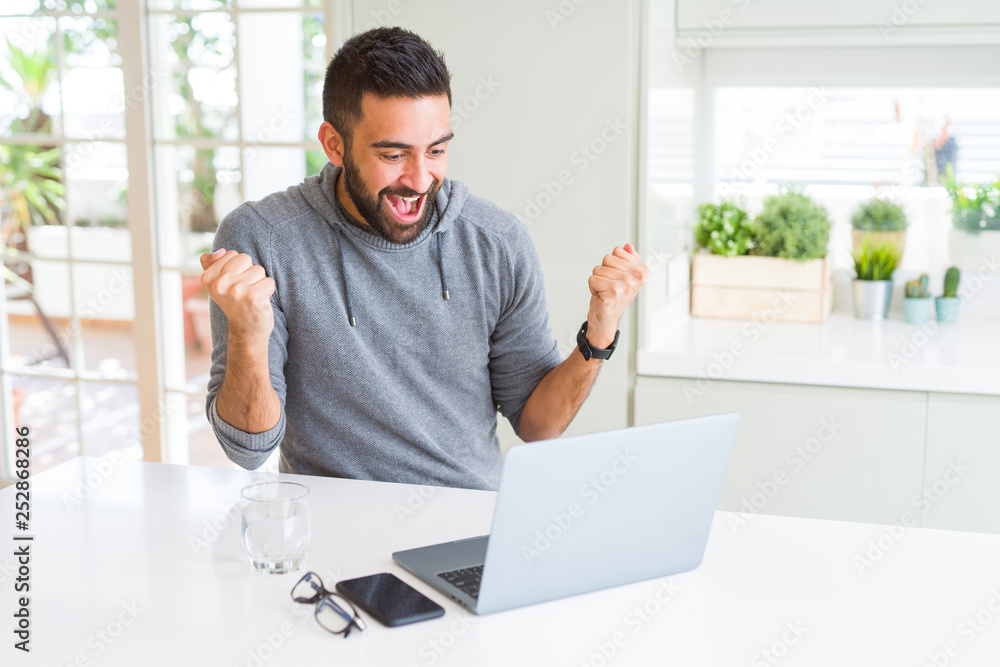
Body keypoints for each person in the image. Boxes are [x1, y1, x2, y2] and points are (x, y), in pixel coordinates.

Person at [200, 27, 647, 490]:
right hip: (336, 528)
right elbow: (247, 450)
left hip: (468, 523)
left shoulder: (498, 241)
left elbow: (538, 426)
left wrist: (599, 332)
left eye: (436, 151)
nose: (418, 180)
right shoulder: (263, 239)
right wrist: (249, 336)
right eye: (393, 154)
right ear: (335, 145)